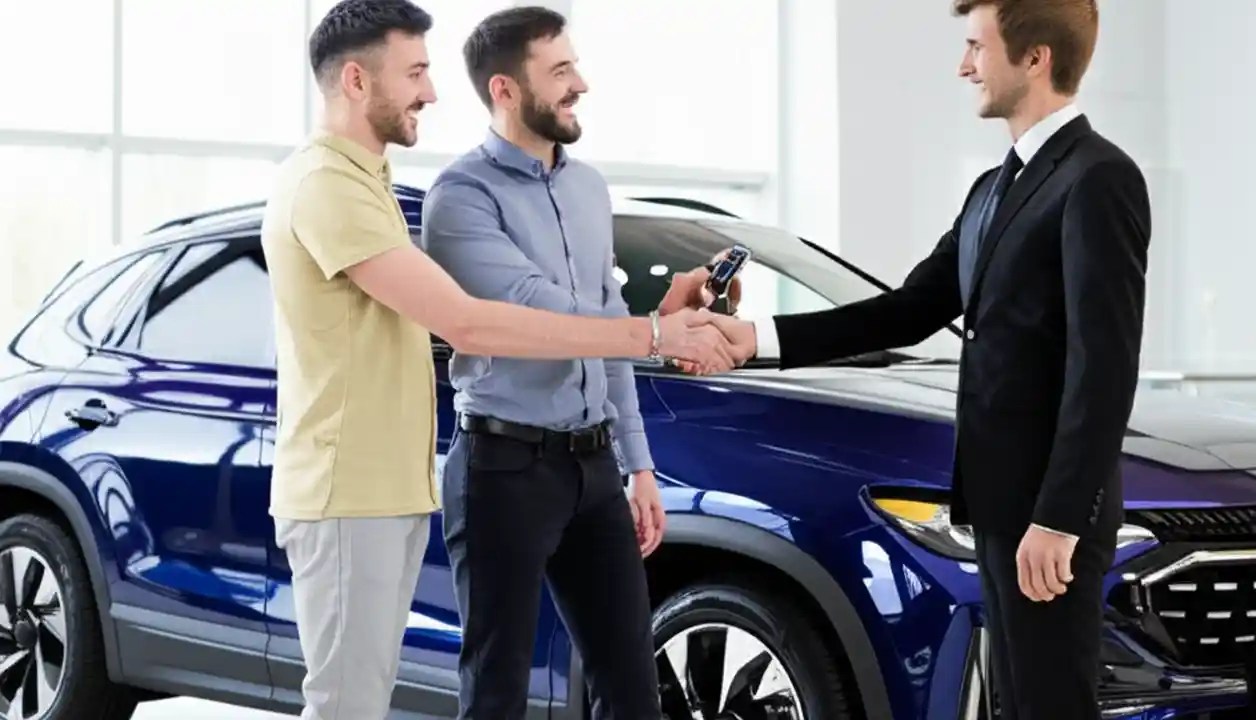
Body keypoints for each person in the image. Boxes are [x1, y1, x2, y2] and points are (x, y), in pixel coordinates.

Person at [675, 1, 1151, 718]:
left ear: (1035, 58)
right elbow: (907, 309)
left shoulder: (1098, 179)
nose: (964, 67)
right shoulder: (992, 190)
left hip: (1051, 515)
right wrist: (760, 339)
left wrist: (1058, 520)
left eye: (975, 47)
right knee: (1016, 703)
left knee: (1054, 702)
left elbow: (1103, 368)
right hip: (994, 505)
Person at [260, 2, 733, 718]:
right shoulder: (345, 187)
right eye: (415, 71)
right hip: (390, 483)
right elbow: (472, 322)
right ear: (357, 81)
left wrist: (641, 408)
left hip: (401, 485)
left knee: (365, 702)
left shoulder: (369, 180)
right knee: (364, 705)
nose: (431, 90)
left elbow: (587, 314)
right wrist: (653, 336)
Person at [417, 7, 679, 718]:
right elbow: (544, 314)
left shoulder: (589, 188)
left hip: (592, 469)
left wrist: (639, 464)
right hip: (504, 469)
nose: (581, 85)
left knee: (632, 691)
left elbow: (607, 324)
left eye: (576, 66)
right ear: (505, 90)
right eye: (560, 72)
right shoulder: (461, 199)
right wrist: (660, 331)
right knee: (498, 691)